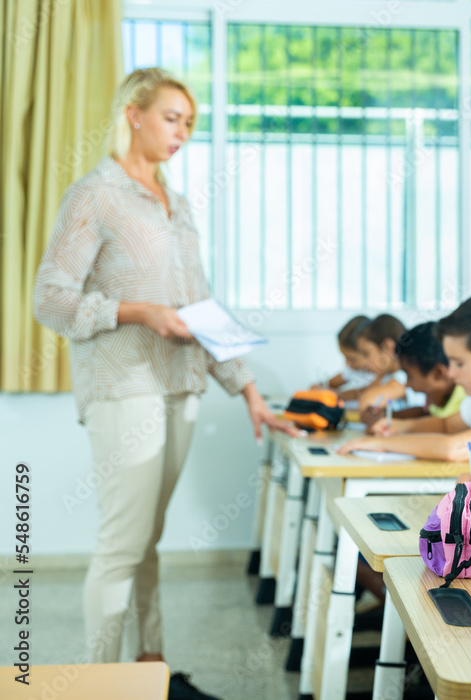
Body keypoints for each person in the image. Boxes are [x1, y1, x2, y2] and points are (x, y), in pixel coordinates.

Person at [33, 67, 300, 700]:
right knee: (122, 545)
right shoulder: (95, 195)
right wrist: (137, 312)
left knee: (145, 540)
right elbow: (50, 299)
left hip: (181, 385)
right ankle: (100, 686)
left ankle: (150, 670)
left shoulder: (175, 204)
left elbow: (198, 303)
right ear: (133, 113)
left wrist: (249, 390)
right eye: (171, 118)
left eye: (188, 123)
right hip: (125, 385)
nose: (181, 132)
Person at [339, 293, 471, 472]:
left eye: (458, 363)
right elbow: (445, 424)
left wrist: (381, 443)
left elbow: (455, 448)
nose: (450, 372)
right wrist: (400, 426)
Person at [391, 321, 465, 420]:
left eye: (410, 376)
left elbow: (443, 426)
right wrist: (386, 416)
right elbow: (425, 412)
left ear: (439, 374)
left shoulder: (466, 400)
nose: (407, 384)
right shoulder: (434, 398)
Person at [322, 315, 375, 401]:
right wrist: (320, 386)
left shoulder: (382, 373)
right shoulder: (353, 369)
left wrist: (336, 394)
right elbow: (330, 383)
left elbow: (366, 391)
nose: (346, 363)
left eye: (351, 359)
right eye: (345, 357)